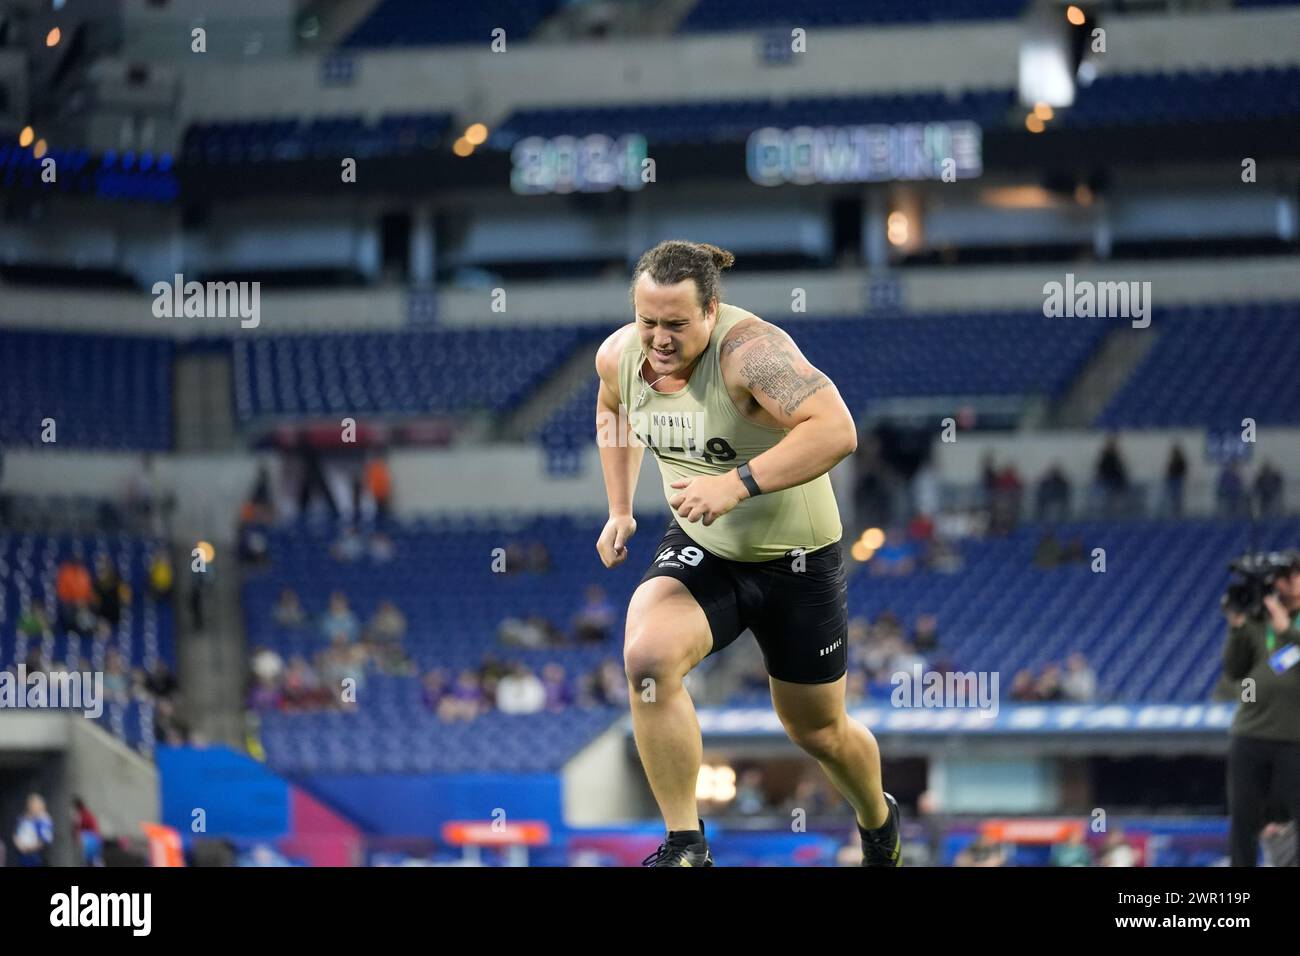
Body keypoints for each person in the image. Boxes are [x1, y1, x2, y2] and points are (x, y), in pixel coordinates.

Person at [594, 240, 898, 867]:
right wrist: (620, 506)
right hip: (705, 546)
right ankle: (686, 846)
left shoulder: (753, 355)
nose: (659, 339)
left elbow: (837, 429)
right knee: (647, 660)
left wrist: (738, 483)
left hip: (798, 561)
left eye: (676, 324)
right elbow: (612, 409)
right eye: (648, 320)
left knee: (818, 730)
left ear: (711, 311)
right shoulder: (619, 357)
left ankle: (878, 820)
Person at [1221, 550, 1300, 866]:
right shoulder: (1258, 621)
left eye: (1294, 576)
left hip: (1294, 736)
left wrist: (1287, 631)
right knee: (1243, 818)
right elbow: (1235, 669)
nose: (1289, 583)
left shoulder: (1286, 624)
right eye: (1285, 577)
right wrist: (1238, 626)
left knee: (1290, 812)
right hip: (1251, 732)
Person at [13, 794, 54, 866]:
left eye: (35, 805)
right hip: (23, 860)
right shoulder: (23, 819)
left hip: (38, 860)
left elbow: (44, 840)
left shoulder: (44, 820)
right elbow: (16, 834)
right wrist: (19, 845)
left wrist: (28, 849)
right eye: (31, 805)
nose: (32, 807)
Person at [72, 796, 104, 866]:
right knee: (93, 860)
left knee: (92, 860)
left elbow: (78, 829)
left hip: (91, 840)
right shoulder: (85, 814)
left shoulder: (82, 815)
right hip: (93, 840)